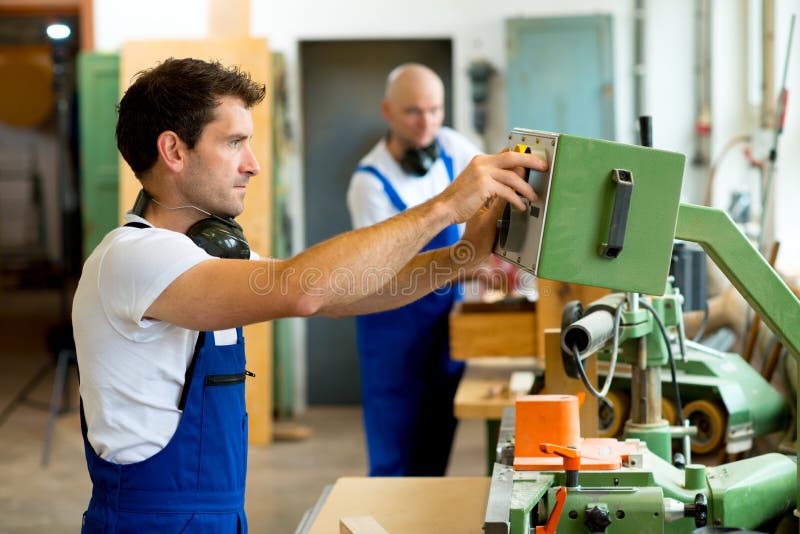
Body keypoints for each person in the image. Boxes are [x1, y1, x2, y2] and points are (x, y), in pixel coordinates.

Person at [73, 57, 545, 533]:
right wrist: (444, 207)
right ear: (173, 150)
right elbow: (304, 289)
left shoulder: (202, 259)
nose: (253, 164)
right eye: (234, 142)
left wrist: (462, 256)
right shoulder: (132, 259)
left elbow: (345, 293)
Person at [346, 63, 482, 476]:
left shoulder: (452, 149)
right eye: (413, 112)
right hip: (392, 334)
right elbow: (389, 273)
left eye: (435, 110)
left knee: (436, 448)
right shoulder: (369, 183)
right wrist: (472, 264)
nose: (427, 124)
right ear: (388, 112)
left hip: (442, 327)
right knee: (395, 457)